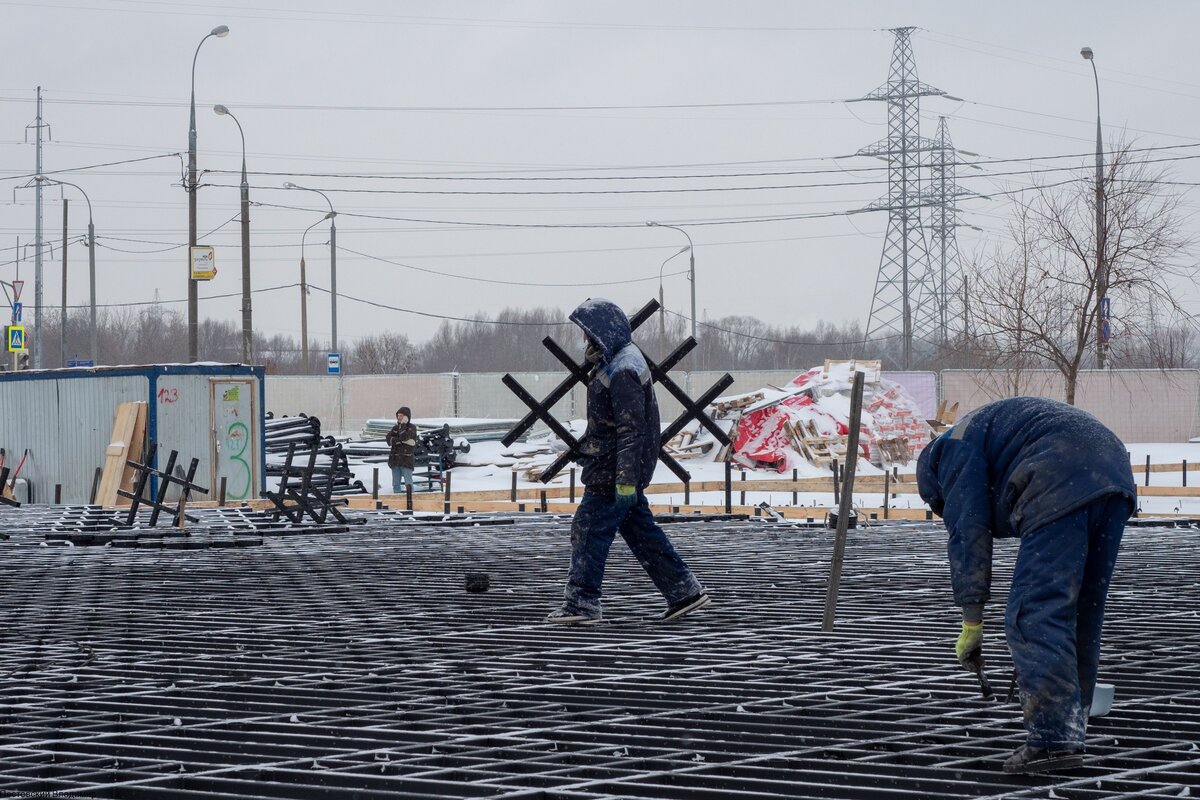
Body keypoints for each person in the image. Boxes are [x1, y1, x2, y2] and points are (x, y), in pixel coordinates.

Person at [916, 396, 1136, 775]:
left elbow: (968, 530)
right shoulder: (988, 434)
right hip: (1113, 475)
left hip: (1059, 474)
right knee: (1081, 611)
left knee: (1034, 614)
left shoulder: (949, 452)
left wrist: (972, 621)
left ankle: (1054, 741)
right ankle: (1072, 722)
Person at [546, 298, 710, 625]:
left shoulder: (622, 368)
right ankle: (684, 592)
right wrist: (591, 450)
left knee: (589, 530)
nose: (585, 342)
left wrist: (624, 477)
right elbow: (613, 425)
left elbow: (631, 428)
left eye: (588, 336)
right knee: (641, 532)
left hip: (613, 473)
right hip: (614, 465)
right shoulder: (616, 361)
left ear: (603, 334)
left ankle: (582, 604)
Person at [386, 407, 417, 493]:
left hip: (406, 460)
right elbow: (388, 439)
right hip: (395, 460)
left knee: (408, 484)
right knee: (395, 484)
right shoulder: (395, 428)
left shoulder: (412, 428)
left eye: (401, 415)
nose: (399, 417)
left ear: (407, 417)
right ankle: (397, 501)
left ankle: (410, 502)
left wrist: (403, 425)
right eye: (398, 415)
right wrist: (400, 441)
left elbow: (405, 436)